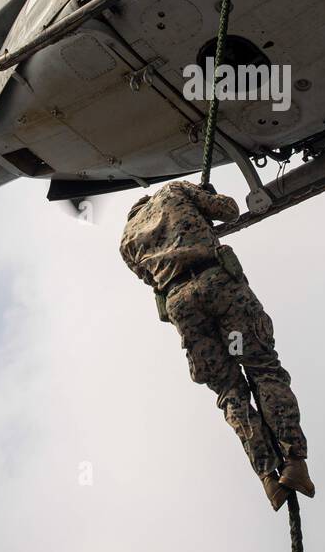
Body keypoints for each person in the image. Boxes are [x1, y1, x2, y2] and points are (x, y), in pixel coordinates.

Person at [119, 180, 313, 511]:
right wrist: (206, 197)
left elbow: (150, 280)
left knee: (230, 391)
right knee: (262, 369)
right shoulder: (173, 191)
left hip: (183, 305)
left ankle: (268, 475)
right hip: (218, 286)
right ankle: (294, 461)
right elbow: (230, 210)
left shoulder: (127, 241)